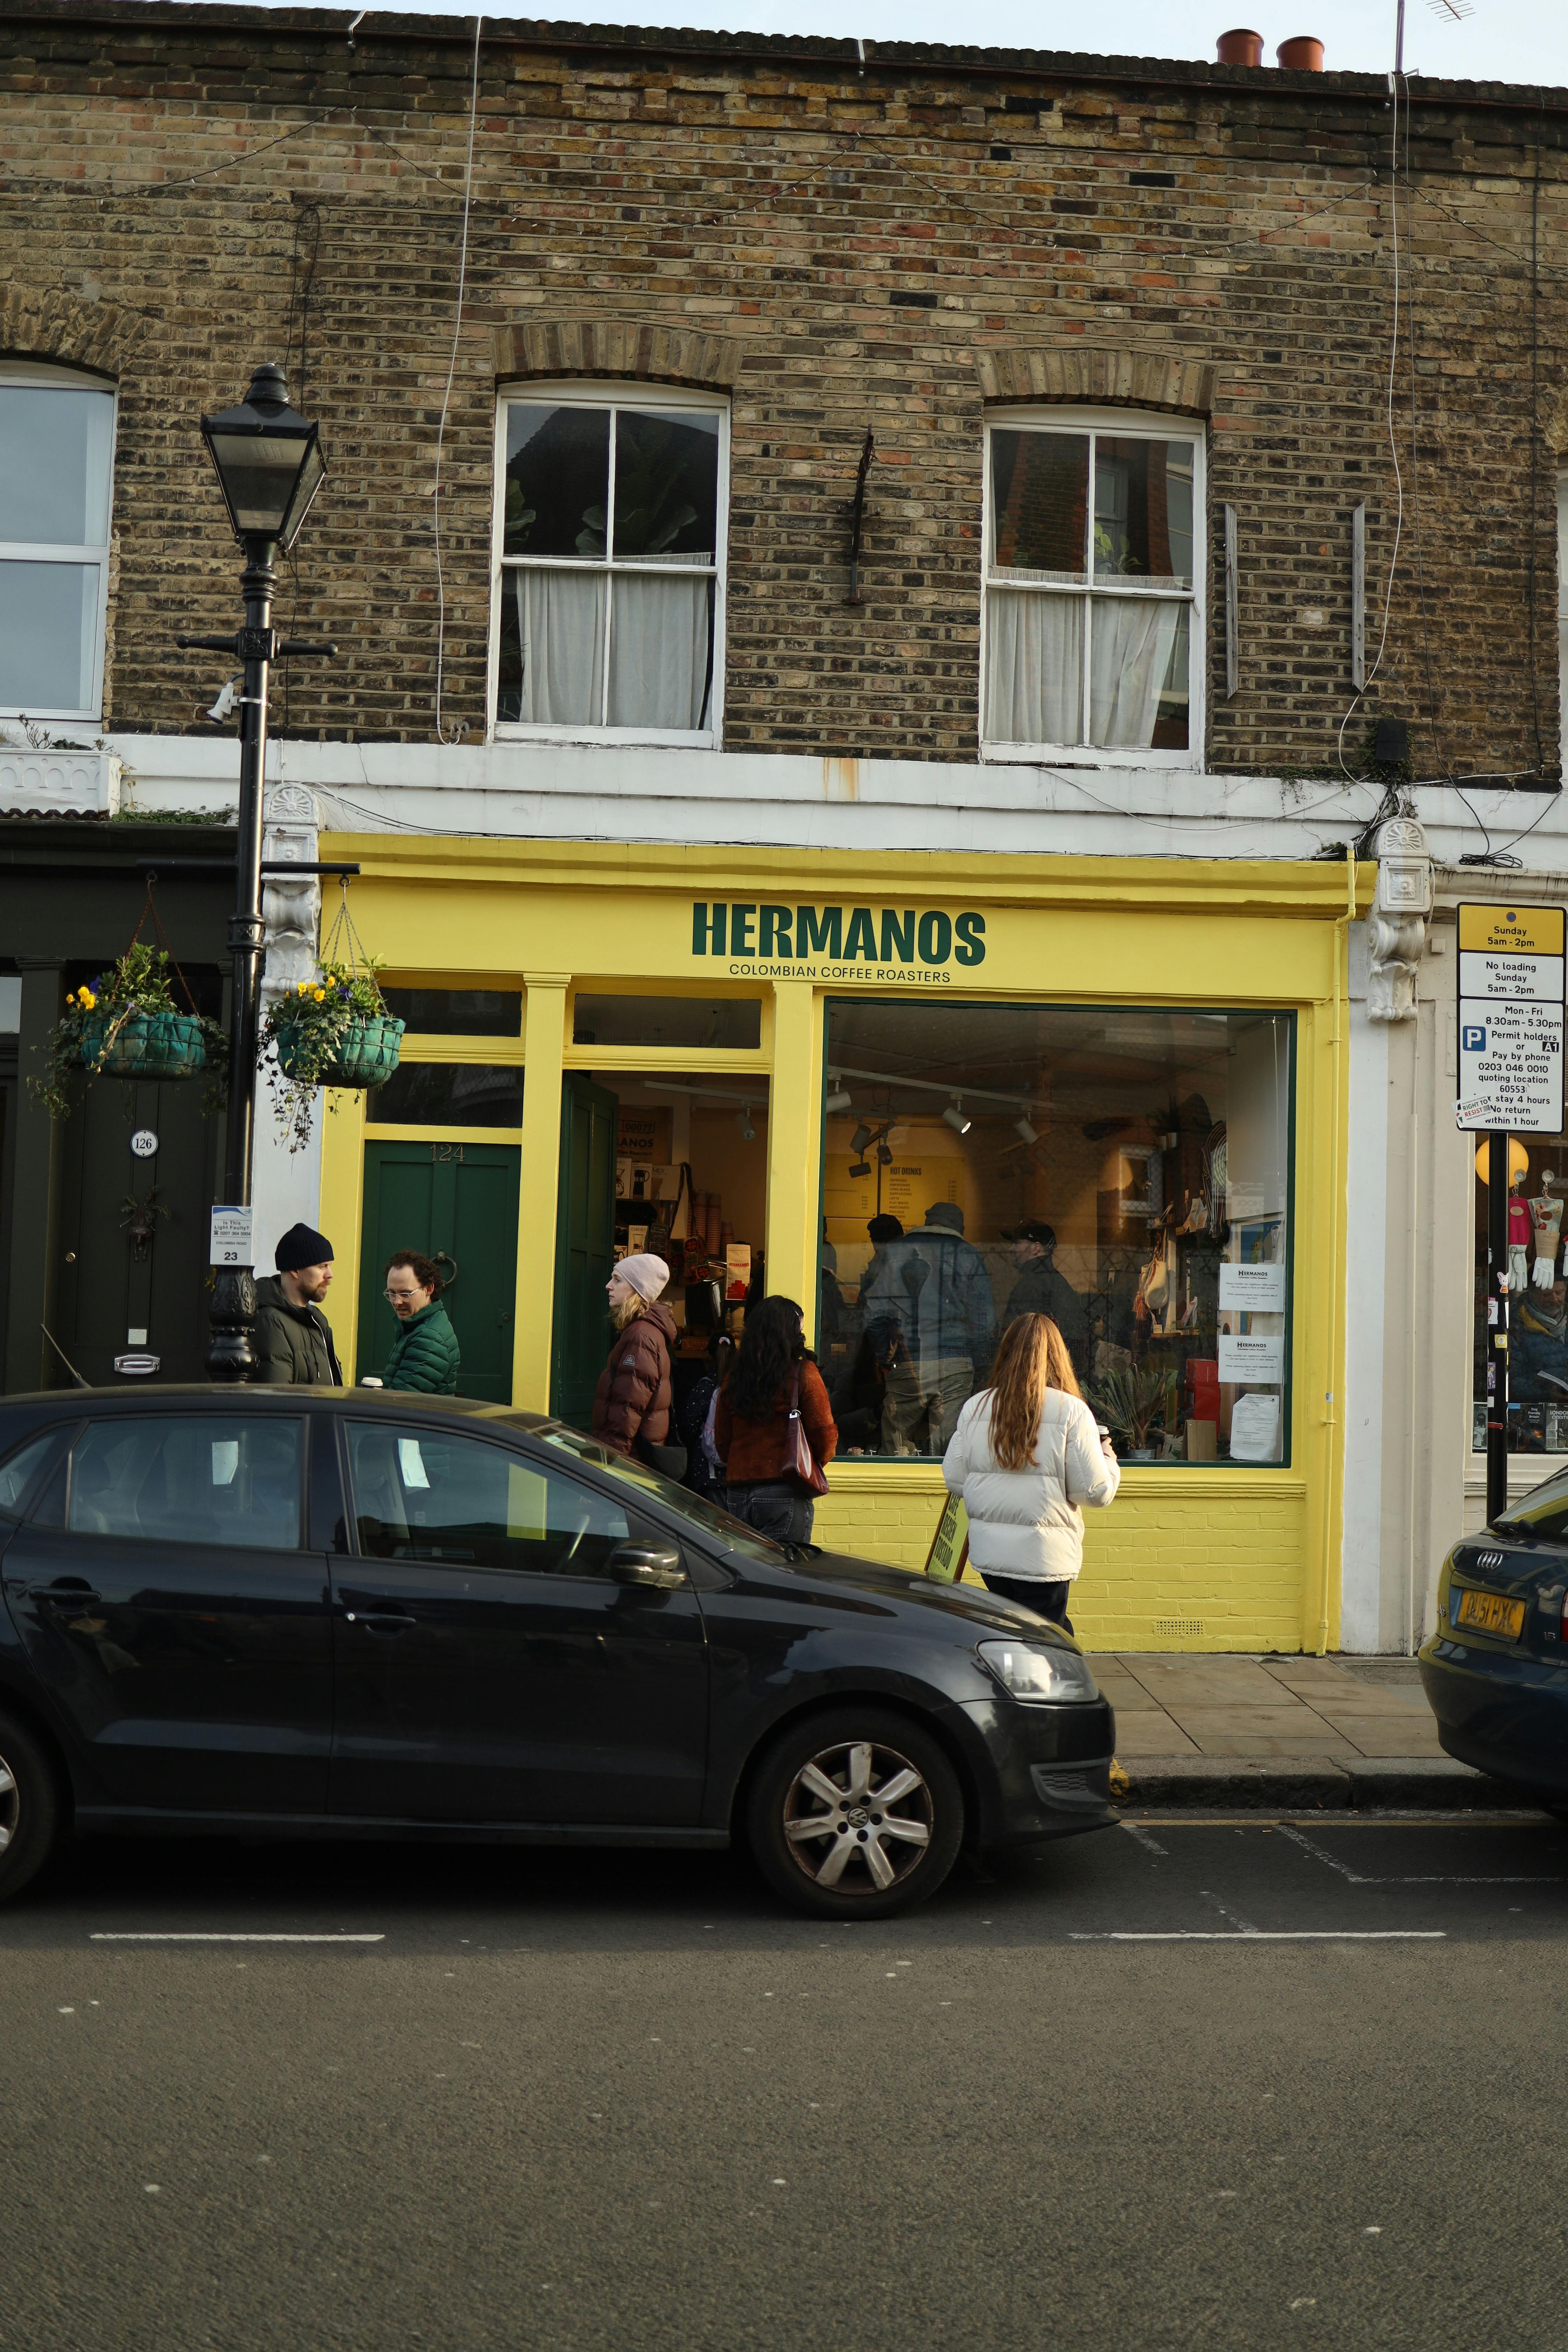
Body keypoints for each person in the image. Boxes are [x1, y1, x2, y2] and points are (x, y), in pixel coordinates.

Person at [940, 1310, 1119, 1634]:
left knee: (1012, 1635)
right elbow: (1094, 1492)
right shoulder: (1071, 1411)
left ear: (1006, 1352)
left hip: (991, 1557)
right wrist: (1108, 1458)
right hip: (1044, 1559)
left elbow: (954, 1477)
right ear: (1058, 1357)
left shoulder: (977, 1407)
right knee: (1048, 1643)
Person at [860, 1200, 996, 1457]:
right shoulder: (969, 1255)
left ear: (928, 1221)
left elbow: (874, 1311)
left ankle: (896, 1494)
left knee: (897, 1443)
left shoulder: (895, 1251)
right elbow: (985, 1322)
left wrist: (886, 1360)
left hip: (907, 1361)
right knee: (949, 1445)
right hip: (955, 1361)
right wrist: (974, 1361)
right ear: (959, 1229)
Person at [714, 1294, 838, 1544]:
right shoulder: (803, 1374)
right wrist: (809, 1464)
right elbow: (824, 1435)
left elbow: (722, 1442)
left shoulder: (734, 1377)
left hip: (737, 1493)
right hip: (785, 1488)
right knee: (785, 1576)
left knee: (746, 1573)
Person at [592, 1252, 679, 1463]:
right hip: (634, 1461)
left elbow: (627, 1411)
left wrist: (609, 1465)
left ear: (637, 1290)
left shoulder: (640, 1336)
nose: (608, 1286)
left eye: (617, 1279)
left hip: (629, 1463)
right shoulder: (641, 1332)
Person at [254, 1223, 342, 1386]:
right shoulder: (271, 1322)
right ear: (295, 1270)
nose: (330, 1275)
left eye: (329, 1266)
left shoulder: (317, 1320)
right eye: (322, 1267)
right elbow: (276, 1400)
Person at [1001, 1220, 1089, 1376]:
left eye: (1017, 1243)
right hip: (1053, 1371)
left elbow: (1017, 1337)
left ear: (1036, 1248)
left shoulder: (1031, 1285)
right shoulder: (1056, 1282)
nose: (1011, 1249)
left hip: (1032, 1372)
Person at [382, 1249, 461, 1393]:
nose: (397, 1302)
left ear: (429, 1289)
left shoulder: (429, 1339)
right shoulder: (418, 1326)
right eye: (392, 1294)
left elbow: (400, 1402)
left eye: (405, 1294)